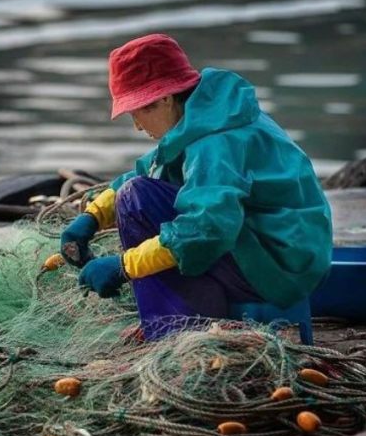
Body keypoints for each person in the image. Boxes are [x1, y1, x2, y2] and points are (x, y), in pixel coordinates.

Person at [62, 33, 332, 340]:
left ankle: (177, 333)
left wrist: (124, 266)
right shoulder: (213, 115)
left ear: (164, 98)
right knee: (138, 191)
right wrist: (92, 217)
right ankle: (181, 317)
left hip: (278, 268)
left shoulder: (215, 142)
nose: (137, 125)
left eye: (137, 112)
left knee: (135, 199)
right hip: (286, 252)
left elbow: (206, 230)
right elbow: (155, 168)